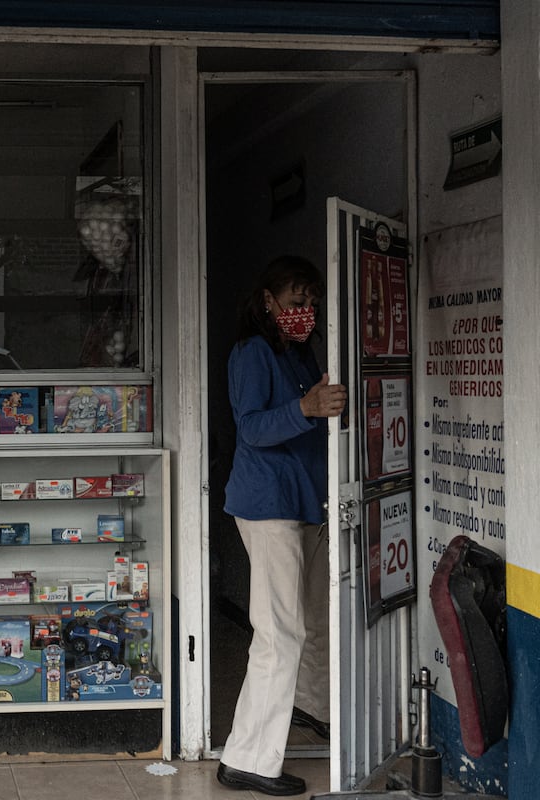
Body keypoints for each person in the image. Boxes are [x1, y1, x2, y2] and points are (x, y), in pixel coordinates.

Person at [217, 256, 346, 796]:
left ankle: (312, 708)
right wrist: (306, 406)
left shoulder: (298, 353)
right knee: (279, 634)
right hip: (267, 507)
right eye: (295, 301)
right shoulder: (251, 353)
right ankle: (246, 758)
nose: (305, 311)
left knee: (311, 620)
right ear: (267, 300)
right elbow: (251, 428)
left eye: (311, 302)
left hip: (303, 505)